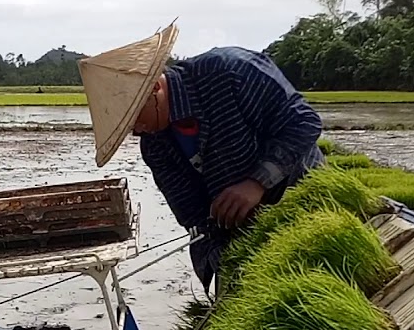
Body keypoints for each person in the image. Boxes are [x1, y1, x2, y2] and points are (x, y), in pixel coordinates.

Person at [77, 22, 325, 295]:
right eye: (126, 128)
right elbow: (194, 217)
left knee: (316, 286)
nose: (136, 131)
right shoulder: (156, 147)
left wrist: (256, 183)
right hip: (248, 233)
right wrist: (221, 267)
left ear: (153, 91)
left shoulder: (230, 70)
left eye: (133, 118)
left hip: (303, 199)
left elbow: (304, 121)